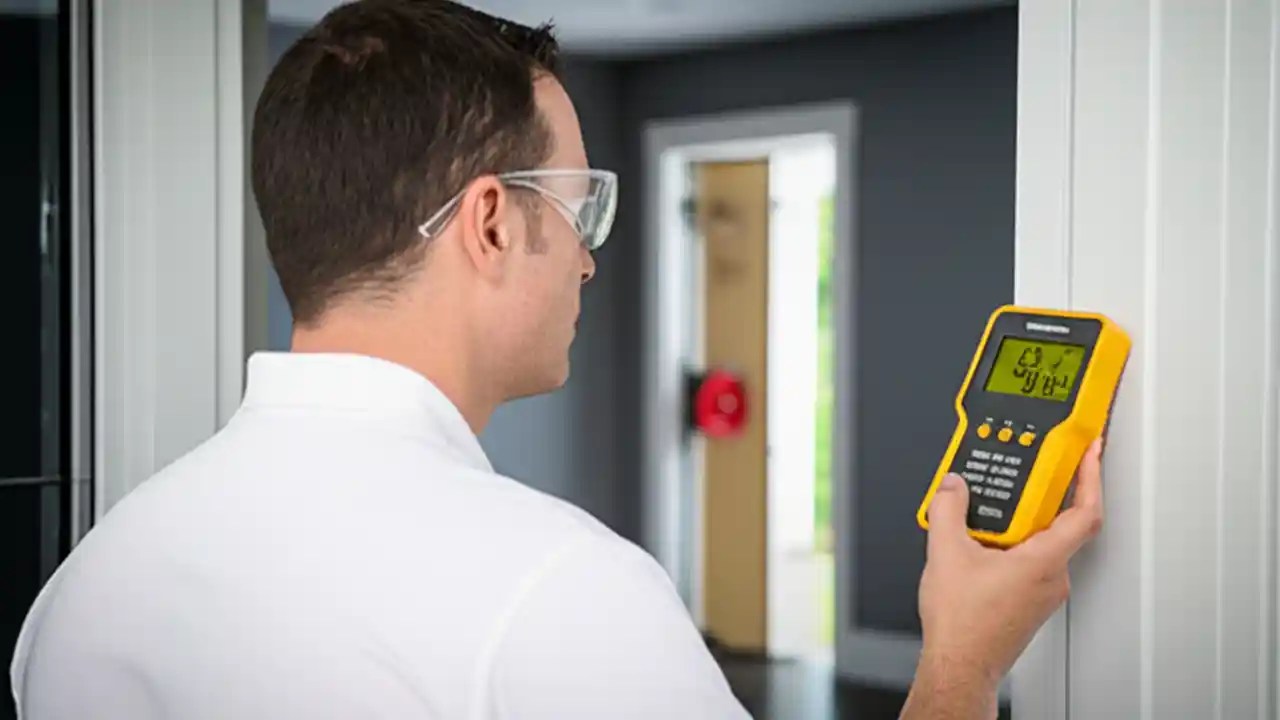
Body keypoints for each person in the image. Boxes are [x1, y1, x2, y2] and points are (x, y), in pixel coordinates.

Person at [9, 1, 1105, 718]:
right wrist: (961, 661)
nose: (586, 263)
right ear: (488, 224)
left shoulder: (85, 590)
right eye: (579, 209)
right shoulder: (558, 596)